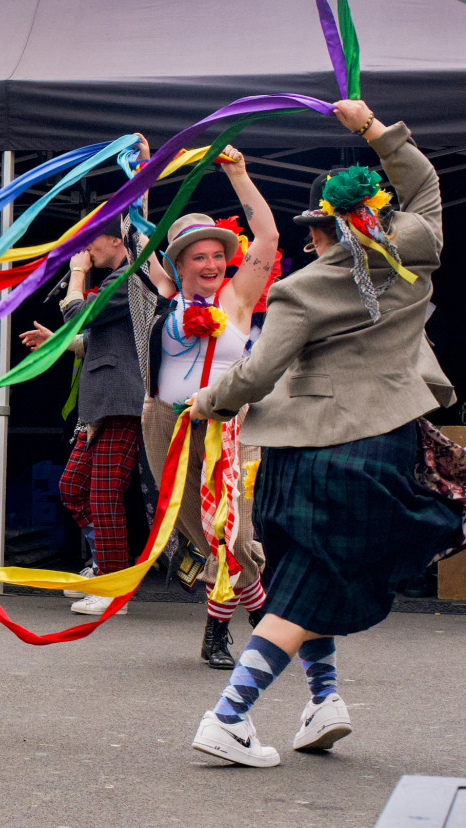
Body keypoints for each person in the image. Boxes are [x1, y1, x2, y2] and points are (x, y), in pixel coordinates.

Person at [188, 98, 458, 768]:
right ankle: (302, 703)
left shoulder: (303, 290)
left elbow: (255, 376)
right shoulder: (414, 251)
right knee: (310, 581)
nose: (307, 239)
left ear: (325, 230)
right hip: (377, 449)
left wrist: (204, 404)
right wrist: (369, 127)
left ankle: (241, 713)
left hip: (310, 453)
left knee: (305, 582)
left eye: (312, 228)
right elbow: (422, 183)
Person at [141, 147, 279, 669]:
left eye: (217, 255)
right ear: (176, 264)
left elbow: (266, 238)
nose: (212, 264)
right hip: (165, 421)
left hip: (230, 424)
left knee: (232, 529)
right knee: (191, 524)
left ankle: (221, 627)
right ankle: (259, 607)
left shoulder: (240, 297)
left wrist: (239, 174)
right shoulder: (161, 294)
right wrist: (145, 171)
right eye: (198, 257)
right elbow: (137, 230)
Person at [18, 142, 155, 618]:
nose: (86, 250)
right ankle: (105, 566)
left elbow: (81, 313)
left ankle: (113, 582)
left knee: (102, 492)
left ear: (117, 239)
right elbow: (93, 337)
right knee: (74, 487)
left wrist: (75, 277)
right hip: (100, 400)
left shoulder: (132, 279)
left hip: (121, 400)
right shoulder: (115, 284)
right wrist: (59, 342)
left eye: (91, 242)